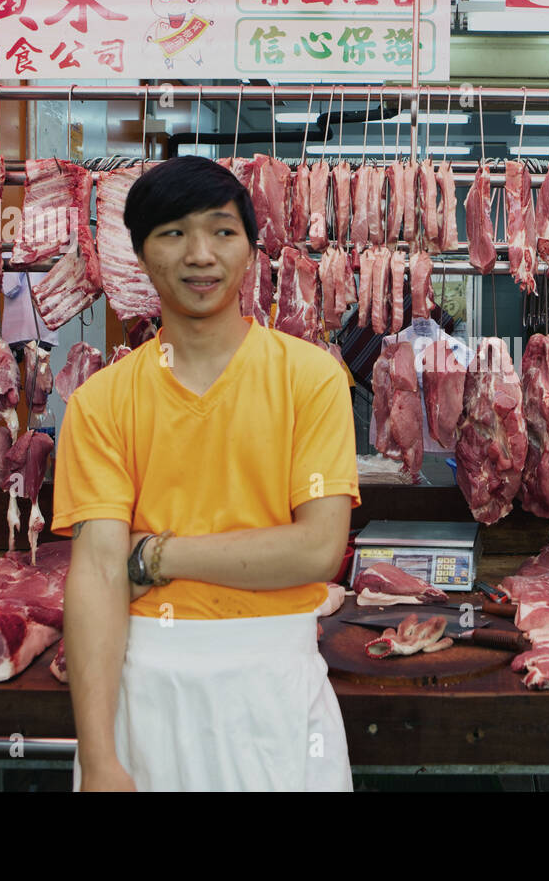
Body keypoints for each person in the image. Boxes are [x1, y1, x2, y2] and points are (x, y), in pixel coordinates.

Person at [51, 156, 359, 792]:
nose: (200, 255)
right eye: (172, 233)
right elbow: (100, 575)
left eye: (222, 231)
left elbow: (317, 549)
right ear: (138, 253)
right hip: (144, 682)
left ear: (250, 250)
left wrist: (156, 555)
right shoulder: (102, 402)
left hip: (273, 679)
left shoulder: (310, 378)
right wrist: (101, 757)